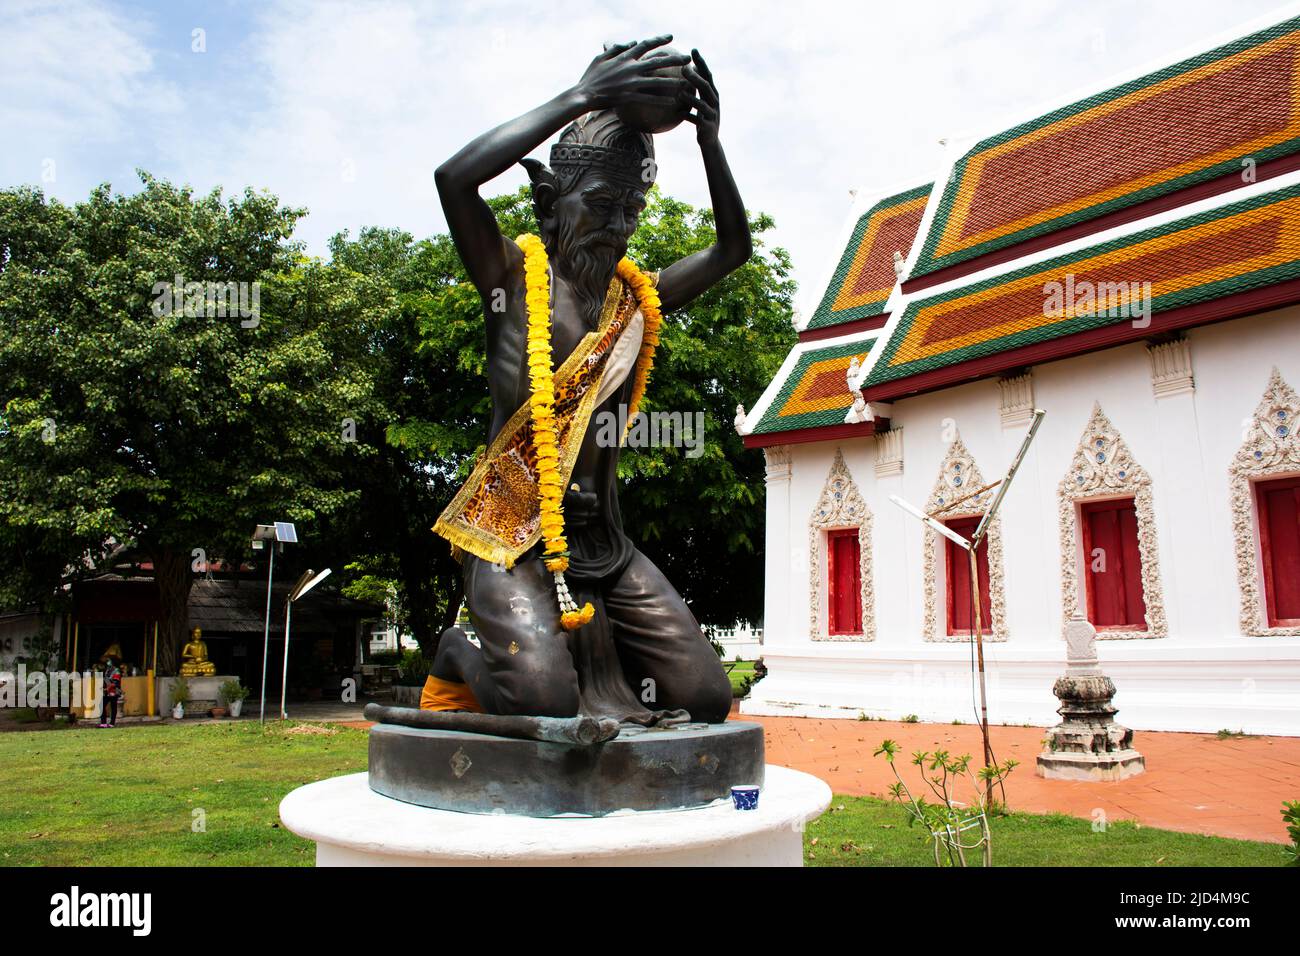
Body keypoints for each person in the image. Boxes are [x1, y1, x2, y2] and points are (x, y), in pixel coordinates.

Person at [430, 36, 749, 724]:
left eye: (632, 211)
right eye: (601, 206)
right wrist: (583, 98)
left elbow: (732, 248)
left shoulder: (637, 302)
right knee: (544, 705)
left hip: (603, 544)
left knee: (705, 699)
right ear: (549, 199)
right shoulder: (511, 279)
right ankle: (461, 651)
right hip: (511, 536)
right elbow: (453, 178)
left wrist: (710, 144)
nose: (618, 227)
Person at [100, 656, 123, 728]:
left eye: (109, 661)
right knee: (102, 706)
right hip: (107, 691)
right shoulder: (108, 670)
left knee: (113, 707)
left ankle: (112, 723)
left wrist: (107, 688)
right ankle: (103, 723)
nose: (108, 662)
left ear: (113, 662)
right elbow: (106, 680)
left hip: (114, 691)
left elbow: (115, 683)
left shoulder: (117, 670)